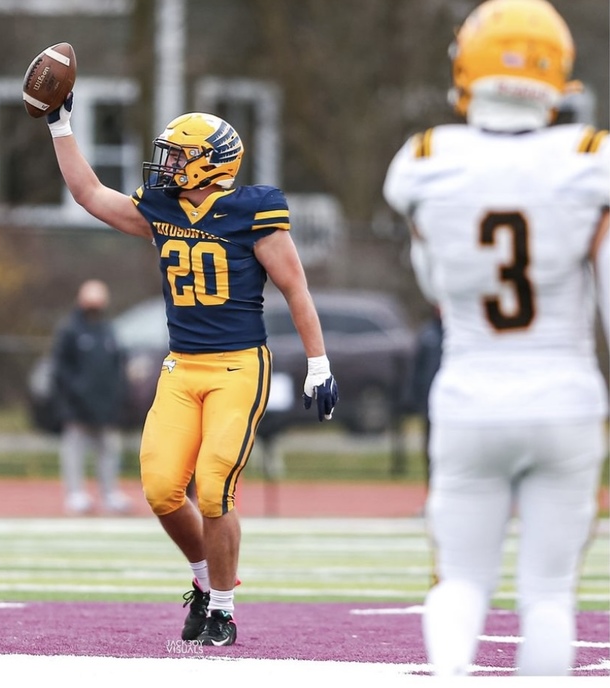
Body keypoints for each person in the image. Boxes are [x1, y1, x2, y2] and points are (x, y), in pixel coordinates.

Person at [39, 95, 338, 645]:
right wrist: (61, 125)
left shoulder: (255, 210)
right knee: (159, 489)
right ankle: (204, 578)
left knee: (215, 485)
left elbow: (295, 286)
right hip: (181, 368)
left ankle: (222, 609)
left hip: (238, 366)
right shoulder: (163, 207)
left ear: (210, 162)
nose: (166, 166)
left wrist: (318, 362)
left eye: (178, 157)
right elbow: (88, 194)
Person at [383, 0, 609, 677]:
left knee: (460, 579)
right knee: (547, 595)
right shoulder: (588, 157)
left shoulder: (426, 158)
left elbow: (434, 284)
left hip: (469, 392)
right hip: (565, 395)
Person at [51, 278, 132, 515]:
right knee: (74, 450)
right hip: (77, 407)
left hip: (106, 406)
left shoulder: (108, 330)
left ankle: (110, 493)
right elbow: (61, 368)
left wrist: (118, 393)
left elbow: (118, 364)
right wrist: (76, 393)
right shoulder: (70, 330)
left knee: (109, 449)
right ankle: (75, 494)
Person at [403, 306, 443, 486]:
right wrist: (412, 398)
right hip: (430, 404)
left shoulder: (459, 333)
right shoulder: (427, 335)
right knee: (430, 452)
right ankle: (432, 494)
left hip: (455, 406)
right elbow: (416, 370)